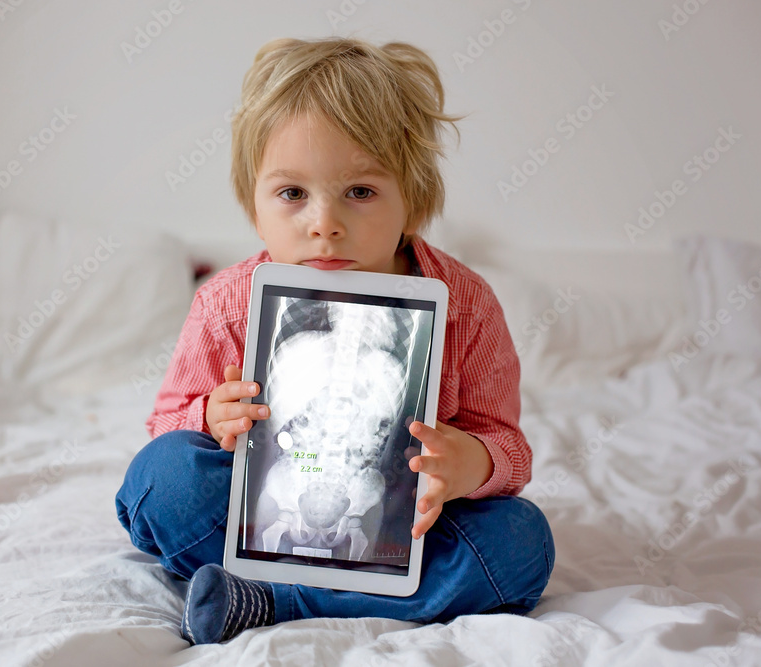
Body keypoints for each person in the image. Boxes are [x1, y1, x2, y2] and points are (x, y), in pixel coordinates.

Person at [116, 36, 555, 645]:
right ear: (254, 204)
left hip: (403, 531)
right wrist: (207, 418)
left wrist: (471, 463)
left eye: (360, 191)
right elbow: (165, 424)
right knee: (162, 480)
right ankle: (324, 595)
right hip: (260, 514)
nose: (325, 222)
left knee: (520, 542)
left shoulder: (465, 305)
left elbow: (507, 446)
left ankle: (266, 603)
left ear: (413, 197)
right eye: (292, 193)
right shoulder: (227, 302)